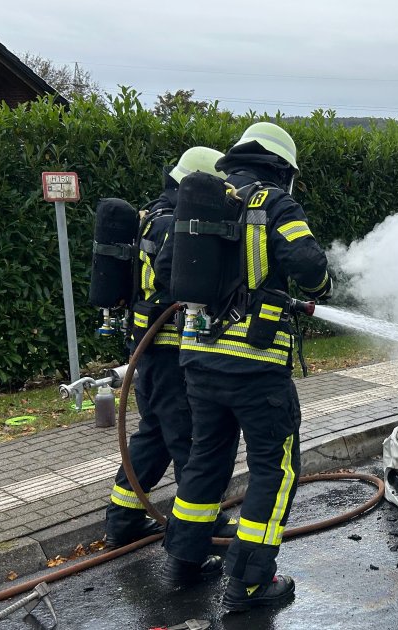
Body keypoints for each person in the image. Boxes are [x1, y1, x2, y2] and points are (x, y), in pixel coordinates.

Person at [163, 122, 332, 610]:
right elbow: (308, 263)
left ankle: (184, 559)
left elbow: (172, 270)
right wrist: (319, 291)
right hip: (256, 369)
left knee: (206, 461)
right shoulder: (275, 203)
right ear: (280, 167)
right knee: (273, 472)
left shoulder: (199, 200)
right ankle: (251, 581)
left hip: (198, 362)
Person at [102, 146, 236, 546]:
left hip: (150, 348)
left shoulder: (151, 214)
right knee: (189, 439)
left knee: (155, 435)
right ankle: (197, 529)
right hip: (168, 350)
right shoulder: (175, 220)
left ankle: (122, 520)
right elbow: (168, 275)